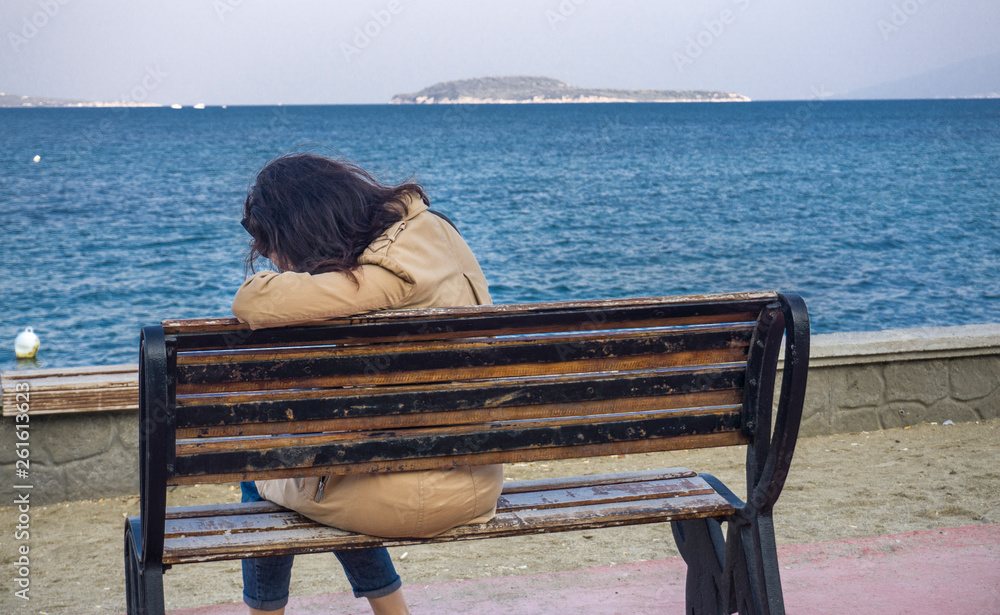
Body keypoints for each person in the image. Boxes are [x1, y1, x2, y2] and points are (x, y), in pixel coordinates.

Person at [232, 153, 504, 615]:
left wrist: (271, 281)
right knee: (343, 457)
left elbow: (254, 303)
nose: (276, 261)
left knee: (261, 475)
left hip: (419, 497)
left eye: (274, 246)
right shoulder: (431, 233)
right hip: (476, 479)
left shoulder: (385, 276)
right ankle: (391, 612)